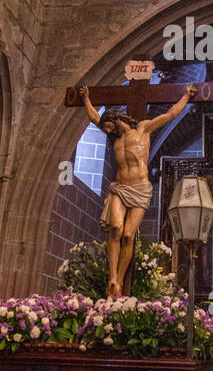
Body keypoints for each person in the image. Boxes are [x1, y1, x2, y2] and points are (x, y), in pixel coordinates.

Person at [79, 84, 197, 296]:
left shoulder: (143, 129)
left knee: (128, 235)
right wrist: (87, 98)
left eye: (107, 128)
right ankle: (112, 278)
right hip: (120, 188)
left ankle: (120, 279)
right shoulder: (114, 137)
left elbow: (170, 115)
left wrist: (186, 96)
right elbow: (95, 118)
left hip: (140, 189)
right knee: (115, 229)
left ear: (116, 120)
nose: (106, 132)